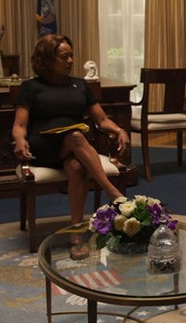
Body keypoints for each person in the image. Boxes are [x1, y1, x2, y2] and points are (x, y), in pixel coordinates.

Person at [12, 34, 129, 259]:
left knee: (76, 167)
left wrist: (119, 130)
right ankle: (113, 193)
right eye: (64, 56)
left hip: (73, 148)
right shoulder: (31, 87)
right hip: (44, 146)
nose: (70, 60)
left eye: (71, 56)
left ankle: (76, 236)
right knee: (76, 136)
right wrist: (19, 139)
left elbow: (102, 121)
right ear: (47, 60)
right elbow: (19, 124)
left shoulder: (80, 85)